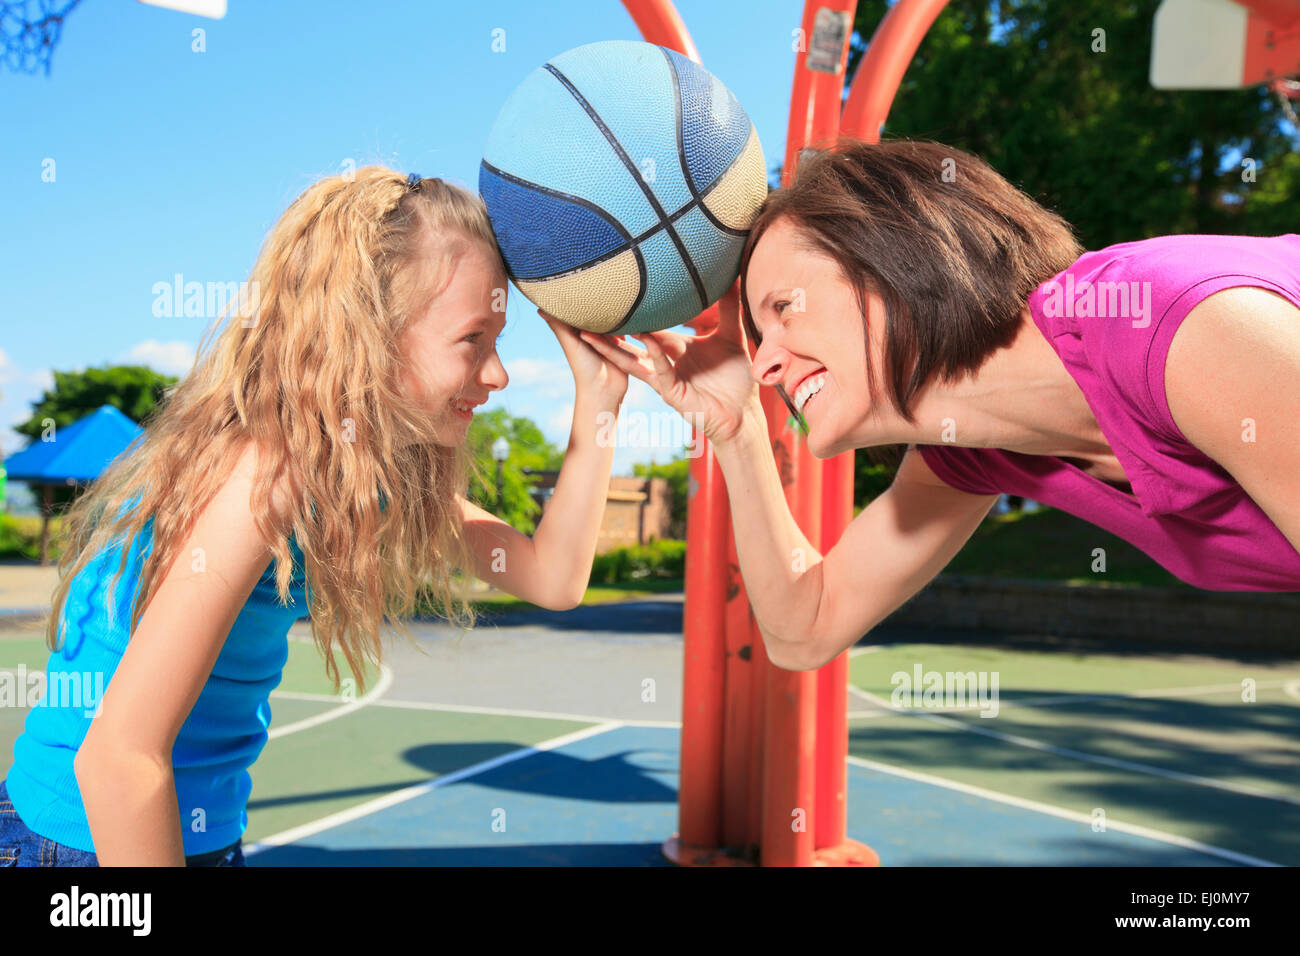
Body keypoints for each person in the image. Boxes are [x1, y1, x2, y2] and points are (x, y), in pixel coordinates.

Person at [0, 168, 626, 866]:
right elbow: (117, 757)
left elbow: (553, 577)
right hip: (83, 839)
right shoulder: (267, 477)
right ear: (370, 338)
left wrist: (598, 399)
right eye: (473, 338)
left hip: (179, 828)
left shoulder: (371, 474)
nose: (499, 373)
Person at [580, 138, 1300, 672]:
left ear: (897, 259)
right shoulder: (973, 448)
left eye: (784, 308)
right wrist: (735, 432)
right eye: (758, 335)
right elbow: (804, 628)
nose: (764, 363)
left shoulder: (1180, 326)